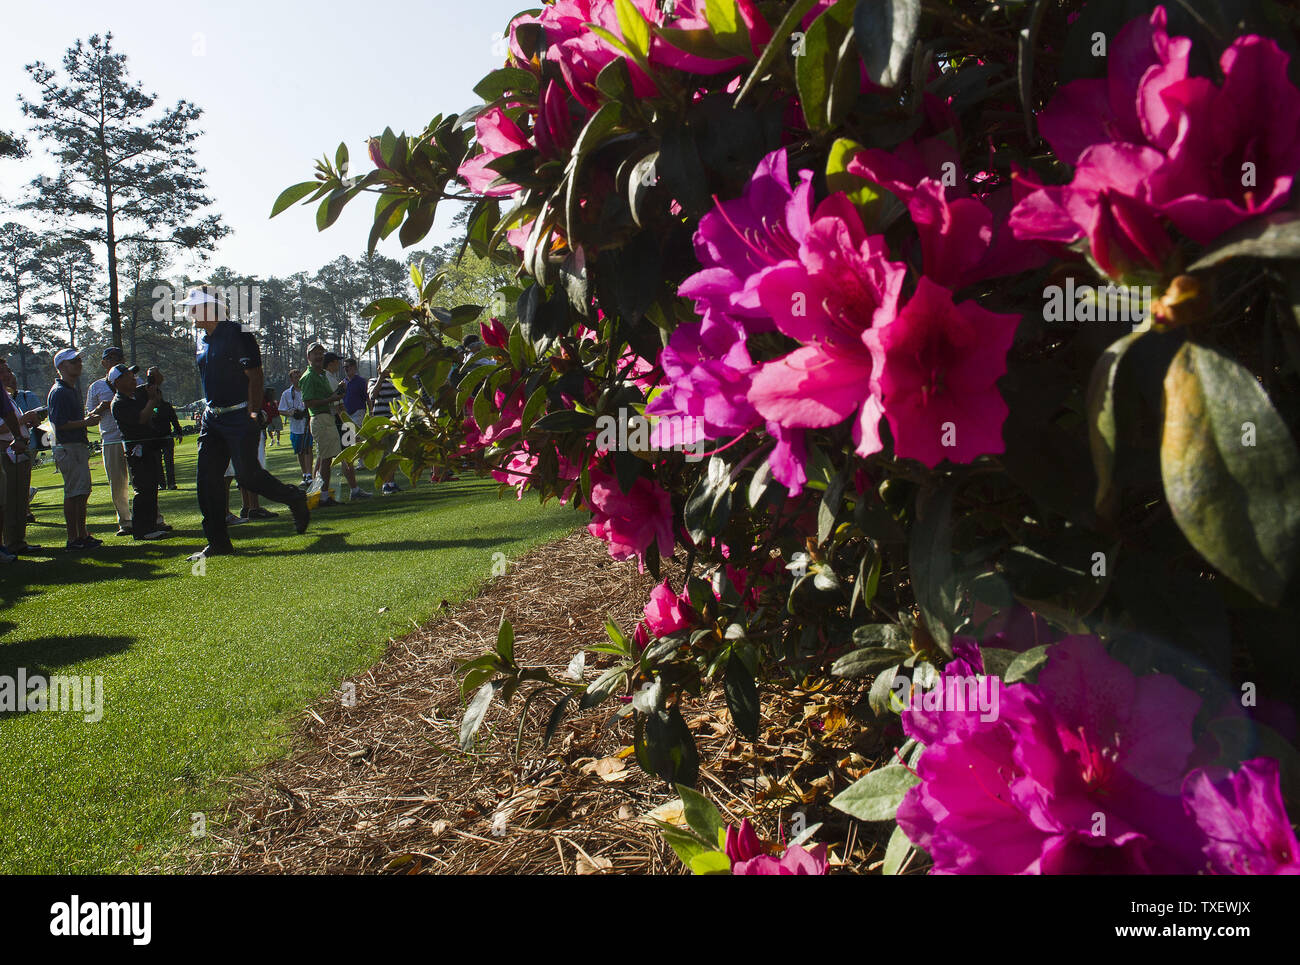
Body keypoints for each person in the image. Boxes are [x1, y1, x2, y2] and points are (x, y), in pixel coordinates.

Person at [185, 285, 308, 560]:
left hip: (240, 415)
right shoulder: (203, 340)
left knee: (248, 476)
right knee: (207, 482)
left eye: (194, 306)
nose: (190, 312)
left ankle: (294, 498)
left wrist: (253, 413)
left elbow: (254, 376)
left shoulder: (237, 334)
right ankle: (218, 542)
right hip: (212, 419)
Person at [47, 348, 104, 551]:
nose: (79, 363)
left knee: (82, 492)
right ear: (61, 367)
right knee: (74, 493)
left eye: (79, 360)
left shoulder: (70, 389)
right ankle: (73, 538)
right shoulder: (60, 391)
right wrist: (86, 422)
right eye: (73, 361)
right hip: (67, 446)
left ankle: (82, 534)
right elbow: (59, 424)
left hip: (76, 445)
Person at [107, 364, 169, 541]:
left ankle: (150, 525)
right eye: (128, 376)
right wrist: (151, 401)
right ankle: (142, 529)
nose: (133, 378)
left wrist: (154, 375)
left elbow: (156, 384)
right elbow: (141, 419)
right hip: (136, 452)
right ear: (117, 382)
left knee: (151, 487)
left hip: (149, 447)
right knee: (143, 488)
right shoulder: (119, 403)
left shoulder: (137, 393)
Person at [0, 356, 46, 558]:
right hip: (6, 450)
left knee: (20, 499)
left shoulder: (8, 397)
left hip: (19, 450)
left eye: (9, 370)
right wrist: (23, 419)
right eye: (3, 371)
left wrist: (24, 422)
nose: (8, 375)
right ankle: (9, 542)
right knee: (9, 499)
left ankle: (18, 541)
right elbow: (2, 426)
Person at [299, 344, 347, 506]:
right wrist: (331, 399)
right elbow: (307, 403)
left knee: (327, 458)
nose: (319, 356)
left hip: (327, 418)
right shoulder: (308, 377)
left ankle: (323, 494)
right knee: (325, 459)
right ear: (308, 357)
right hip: (320, 418)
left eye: (321, 353)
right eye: (315, 354)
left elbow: (329, 396)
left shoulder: (320, 375)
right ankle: (323, 496)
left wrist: (338, 392)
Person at [322, 351, 369, 500]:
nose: (340, 366)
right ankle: (327, 493)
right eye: (337, 362)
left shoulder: (330, 378)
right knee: (344, 455)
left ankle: (353, 489)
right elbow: (337, 404)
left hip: (342, 418)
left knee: (343, 455)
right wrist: (347, 423)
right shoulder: (330, 379)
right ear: (331, 363)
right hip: (338, 420)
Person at [146, 367, 184, 490]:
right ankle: (161, 483)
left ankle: (171, 483)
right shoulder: (148, 408)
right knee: (157, 463)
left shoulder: (166, 406)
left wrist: (178, 432)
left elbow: (174, 419)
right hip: (154, 438)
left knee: (169, 462)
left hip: (166, 437)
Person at [368, 369, 403, 495]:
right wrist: (381, 378)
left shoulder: (396, 380)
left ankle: (391, 482)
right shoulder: (373, 381)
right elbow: (373, 395)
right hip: (381, 422)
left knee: (392, 453)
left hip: (395, 421)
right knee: (383, 455)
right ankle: (385, 484)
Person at [278, 370, 312, 485]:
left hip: (307, 424)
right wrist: (291, 413)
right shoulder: (286, 393)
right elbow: (281, 410)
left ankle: (309, 474)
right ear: (291, 379)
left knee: (308, 448)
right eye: (295, 377)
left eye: (299, 376)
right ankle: (304, 474)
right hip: (295, 427)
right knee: (299, 451)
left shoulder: (307, 390)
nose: (298, 379)